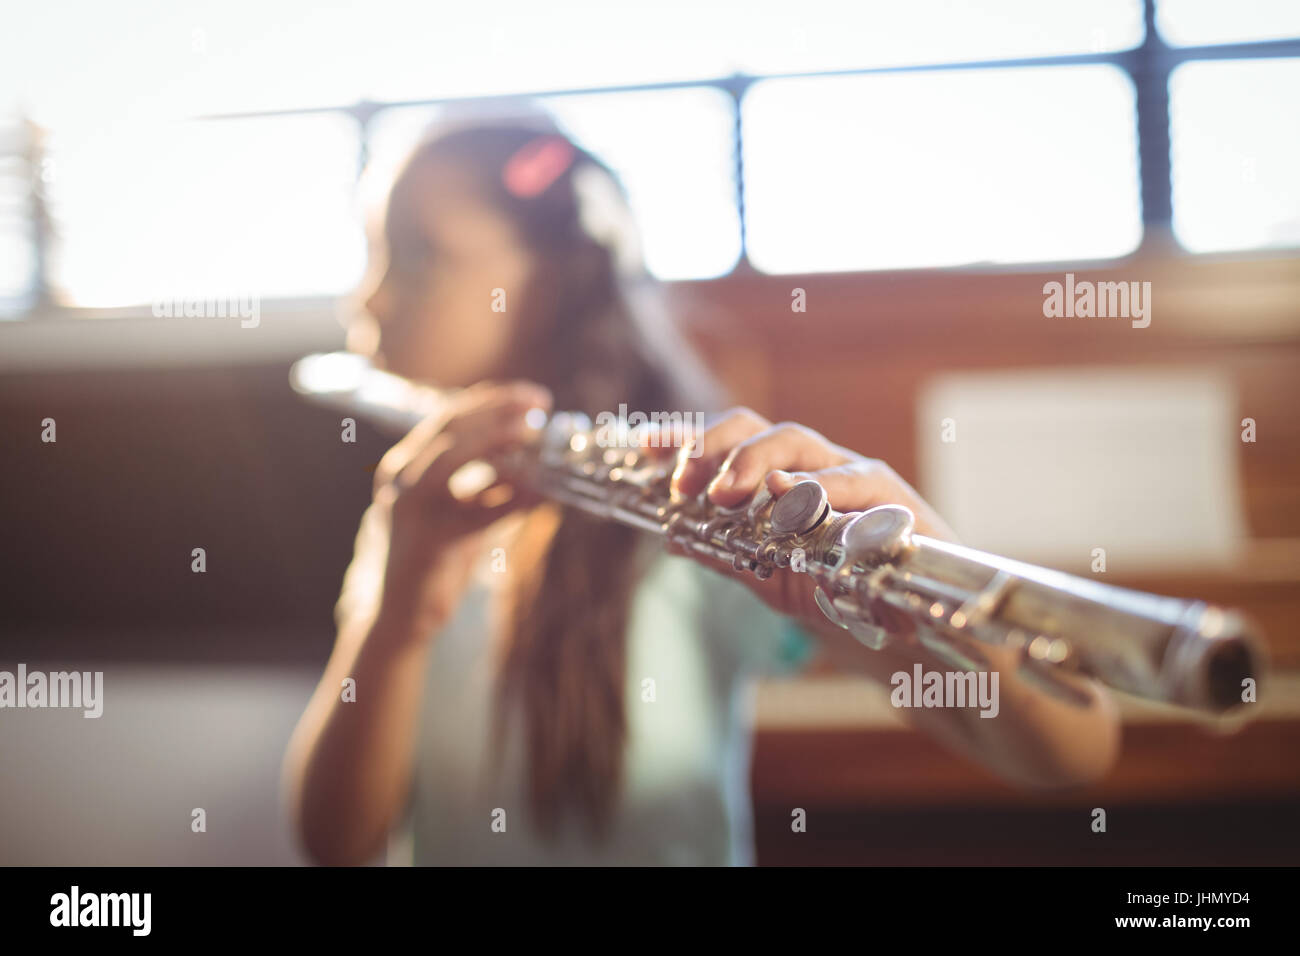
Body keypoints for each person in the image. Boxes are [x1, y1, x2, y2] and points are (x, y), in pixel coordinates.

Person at [281, 118, 1120, 866]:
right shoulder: (421, 510)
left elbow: (1068, 754)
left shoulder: (698, 507)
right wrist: (398, 617)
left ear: (557, 275)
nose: (369, 295)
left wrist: (929, 558)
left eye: (419, 254)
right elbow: (337, 841)